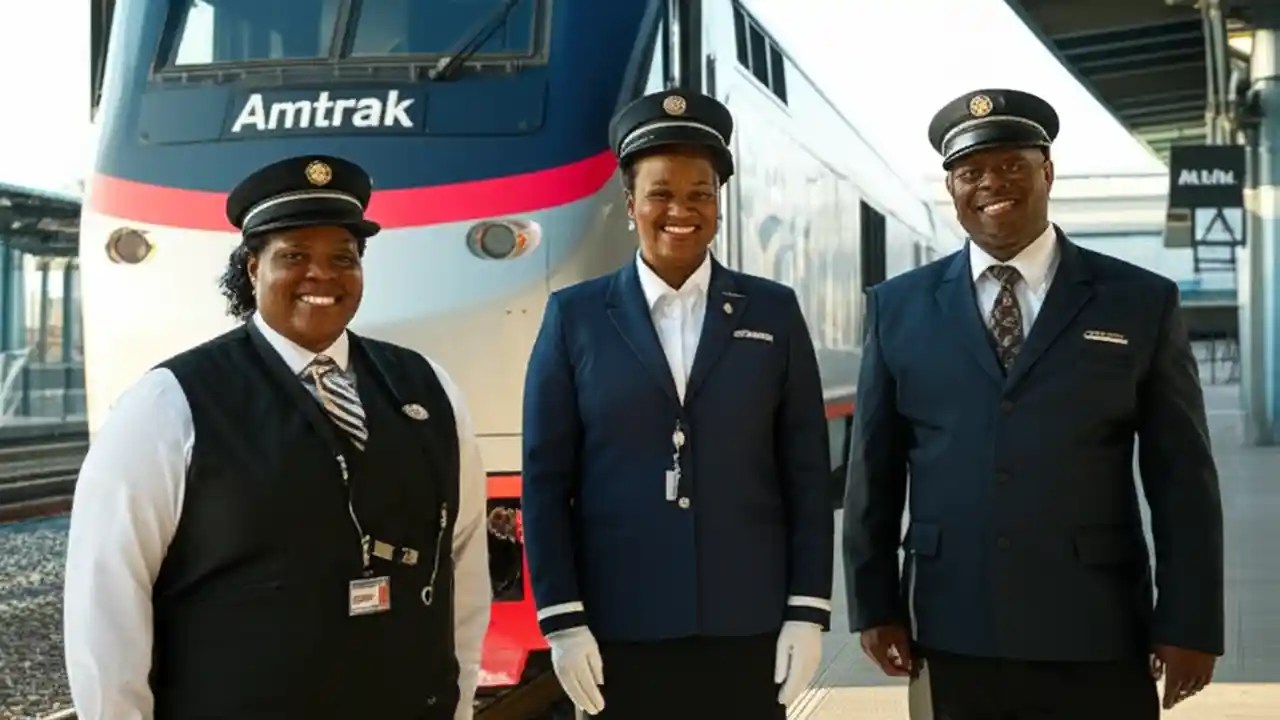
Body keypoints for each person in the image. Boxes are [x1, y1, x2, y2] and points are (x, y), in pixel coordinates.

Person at [63, 154, 491, 719]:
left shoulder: (430, 390)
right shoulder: (168, 404)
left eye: (344, 258)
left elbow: (464, 571)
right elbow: (106, 602)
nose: (322, 275)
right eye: (293, 256)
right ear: (251, 268)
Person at [841, 88, 1224, 719]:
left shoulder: (1138, 301)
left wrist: (1191, 622)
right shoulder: (897, 308)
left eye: (1013, 165)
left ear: (1047, 171)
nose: (993, 183)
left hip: (1096, 626)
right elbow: (873, 473)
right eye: (971, 172)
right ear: (952, 188)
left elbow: (1183, 478)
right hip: (951, 622)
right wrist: (875, 604)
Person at [520, 89, 834, 720]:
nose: (681, 210)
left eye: (701, 194)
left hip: (748, 626)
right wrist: (562, 620)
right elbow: (546, 480)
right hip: (620, 628)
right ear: (629, 202)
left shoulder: (772, 311)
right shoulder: (574, 317)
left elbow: (805, 471)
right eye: (661, 192)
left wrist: (808, 609)